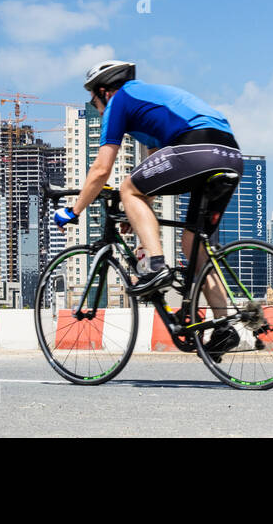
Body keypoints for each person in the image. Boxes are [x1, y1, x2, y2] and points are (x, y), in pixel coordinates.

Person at [53, 60, 242, 349]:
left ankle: (155, 266)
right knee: (194, 245)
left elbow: (102, 169)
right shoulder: (149, 102)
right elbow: (156, 167)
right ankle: (224, 326)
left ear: (104, 92)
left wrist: (73, 210)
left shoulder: (121, 100)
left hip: (195, 148)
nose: (97, 109)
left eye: (93, 102)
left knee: (128, 187)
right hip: (229, 153)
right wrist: (138, 209)